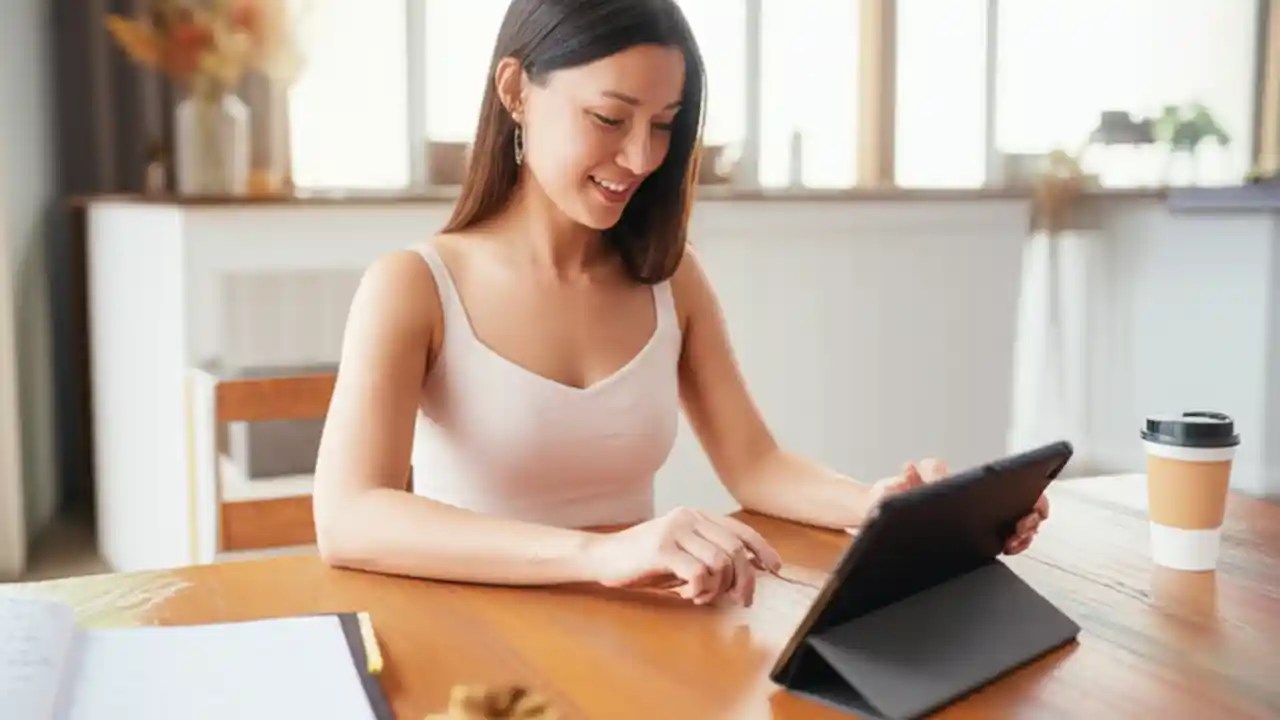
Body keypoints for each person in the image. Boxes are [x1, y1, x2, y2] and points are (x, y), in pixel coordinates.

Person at [312, 0, 1048, 608]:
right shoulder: (413, 286)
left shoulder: (670, 278)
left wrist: (885, 508)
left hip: (641, 630)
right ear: (515, 91)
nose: (640, 157)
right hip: (479, 631)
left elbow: (756, 465)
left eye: (664, 124)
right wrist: (600, 554)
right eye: (610, 118)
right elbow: (350, 517)